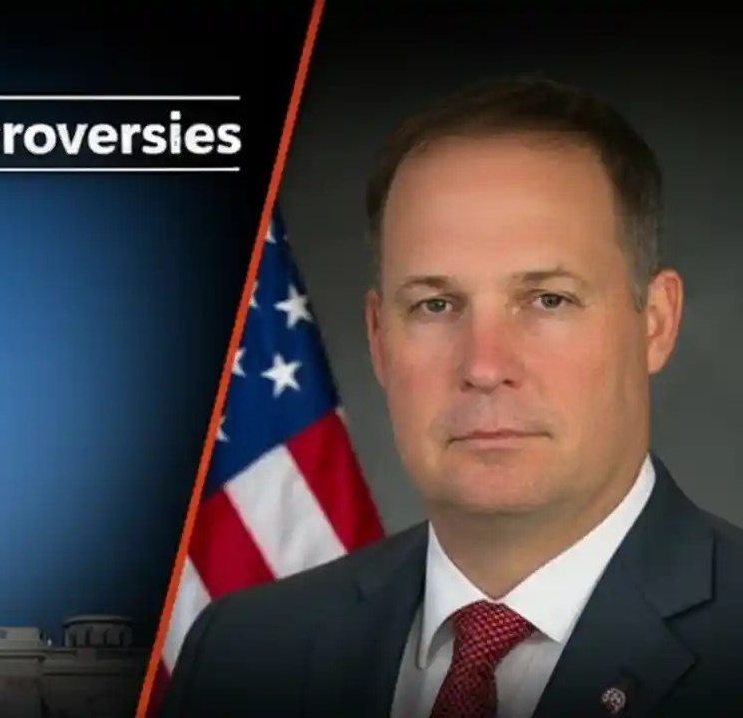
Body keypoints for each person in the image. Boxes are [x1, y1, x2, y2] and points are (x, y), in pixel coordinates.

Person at [158, 76, 743, 717]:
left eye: (549, 299)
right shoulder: (242, 653)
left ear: (655, 322)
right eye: (435, 304)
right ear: (379, 339)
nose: (485, 366)